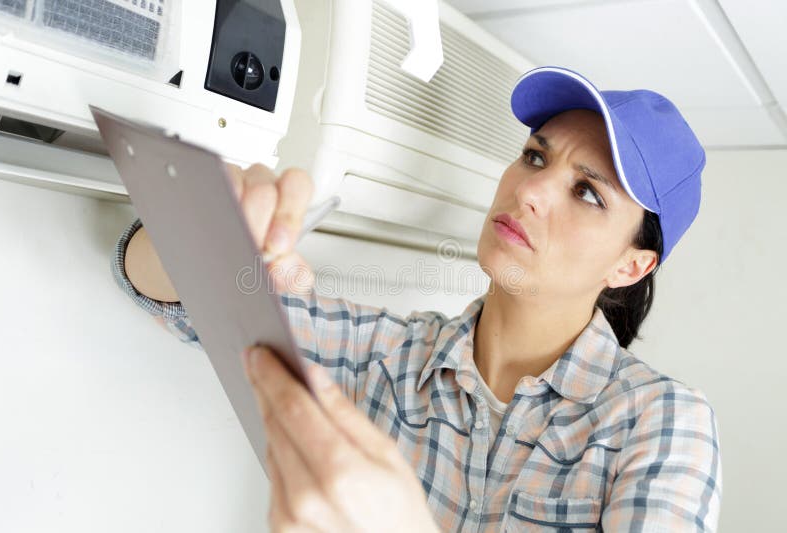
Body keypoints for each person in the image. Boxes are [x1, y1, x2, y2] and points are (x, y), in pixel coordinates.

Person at [113, 66, 722, 531]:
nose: (531, 188)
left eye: (587, 193)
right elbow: (167, 287)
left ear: (631, 264)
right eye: (535, 155)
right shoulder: (388, 355)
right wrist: (219, 222)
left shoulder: (659, 422)